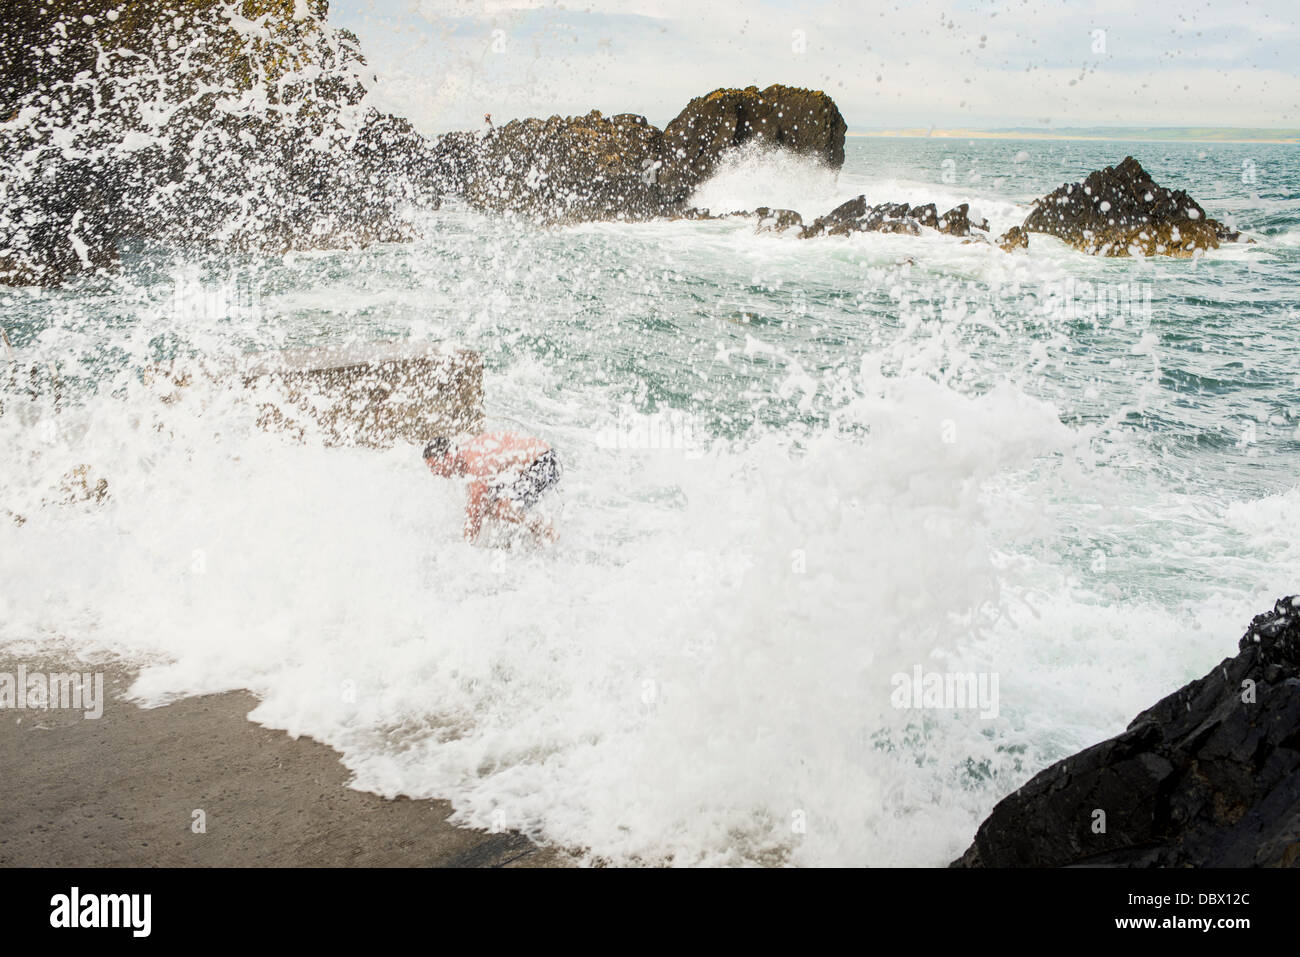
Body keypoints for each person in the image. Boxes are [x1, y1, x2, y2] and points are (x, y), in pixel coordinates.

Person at [424, 431, 560, 545]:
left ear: (449, 457)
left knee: (503, 508)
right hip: (532, 466)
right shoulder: (464, 456)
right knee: (491, 505)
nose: (435, 473)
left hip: (545, 463)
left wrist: (464, 550)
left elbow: (475, 512)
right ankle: (519, 537)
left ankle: (545, 530)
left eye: (435, 467)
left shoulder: (474, 463)